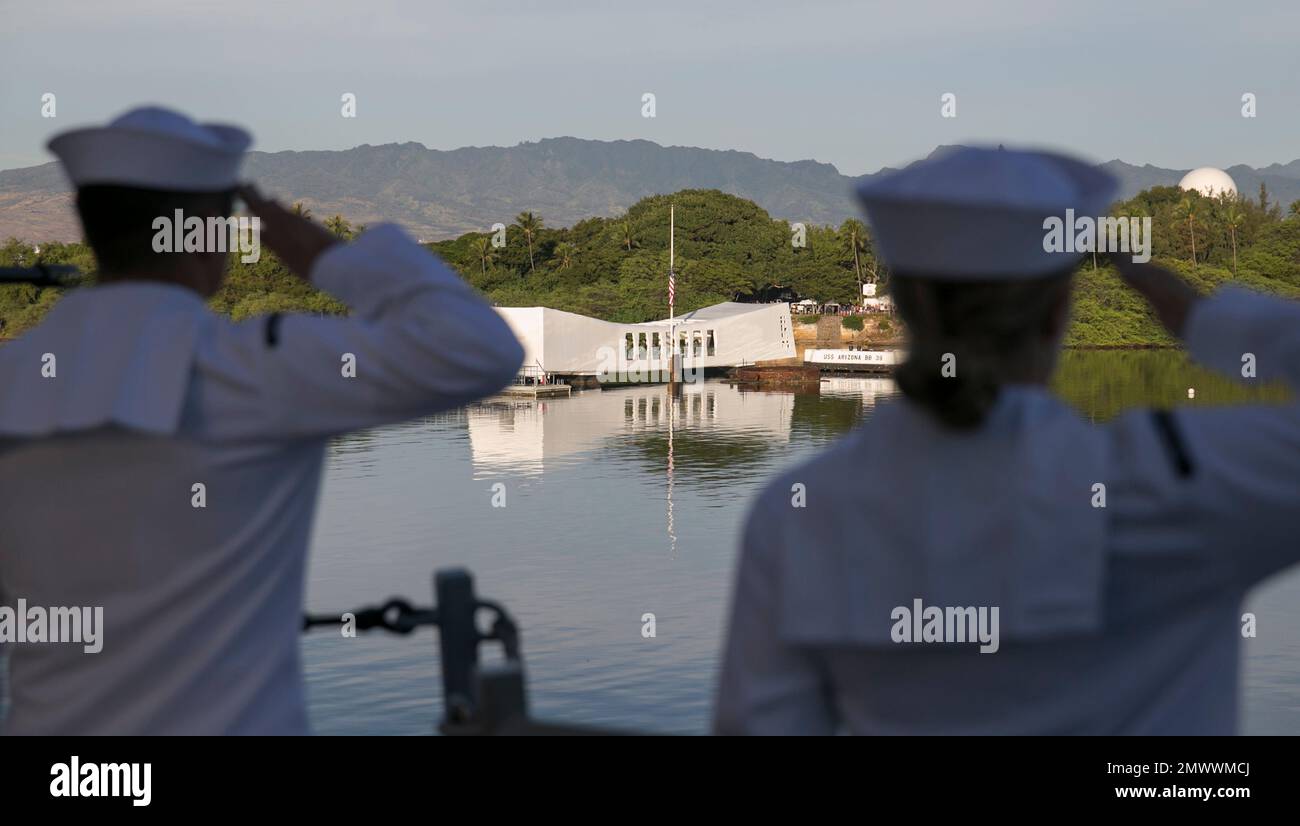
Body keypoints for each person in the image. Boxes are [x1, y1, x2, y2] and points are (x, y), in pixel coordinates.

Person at [715, 145, 1300, 735]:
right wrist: (1201, 318)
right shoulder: (1184, 481)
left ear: (910, 303)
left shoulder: (799, 516)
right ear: (1059, 310)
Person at [0, 107, 524, 734]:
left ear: (88, 226)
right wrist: (324, 255)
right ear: (209, 235)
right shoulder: (257, 368)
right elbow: (479, 350)